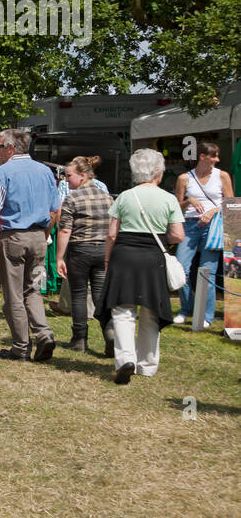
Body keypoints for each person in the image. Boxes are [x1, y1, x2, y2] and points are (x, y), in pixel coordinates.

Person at [95, 149, 185, 384]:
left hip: (123, 256)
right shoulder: (168, 198)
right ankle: (147, 365)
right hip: (152, 258)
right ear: (158, 171)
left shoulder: (125, 196)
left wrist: (107, 260)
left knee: (123, 311)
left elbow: (112, 234)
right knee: (151, 312)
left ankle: (126, 359)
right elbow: (178, 235)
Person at [0, 128, 61, 362]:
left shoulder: (2, 173)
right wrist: (44, 235)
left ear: (10, 147)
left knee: (14, 295)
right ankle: (44, 333)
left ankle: (20, 347)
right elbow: (55, 209)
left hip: (13, 238)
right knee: (33, 290)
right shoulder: (46, 171)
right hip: (39, 238)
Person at [56, 157, 115, 351]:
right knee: (100, 296)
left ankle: (79, 339)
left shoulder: (72, 198)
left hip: (80, 250)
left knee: (79, 295)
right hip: (101, 250)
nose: (66, 179)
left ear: (82, 176)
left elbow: (64, 230)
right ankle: (110, 335)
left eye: (69, 175)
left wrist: (59, 258)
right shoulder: (107, 197)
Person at [173, 141, 233, 327]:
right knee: (180, 269)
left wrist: (213, 211)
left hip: (213, 226)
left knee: (207, 271)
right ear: (202, 156)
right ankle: (187, 309)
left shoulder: (222, 175)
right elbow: (176, 206)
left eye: (217, 156)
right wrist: (189, 200)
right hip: (190, 225)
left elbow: (230, 204)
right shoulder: (184, 178)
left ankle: (206, 316)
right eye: (213, 156)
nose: (217, 159)